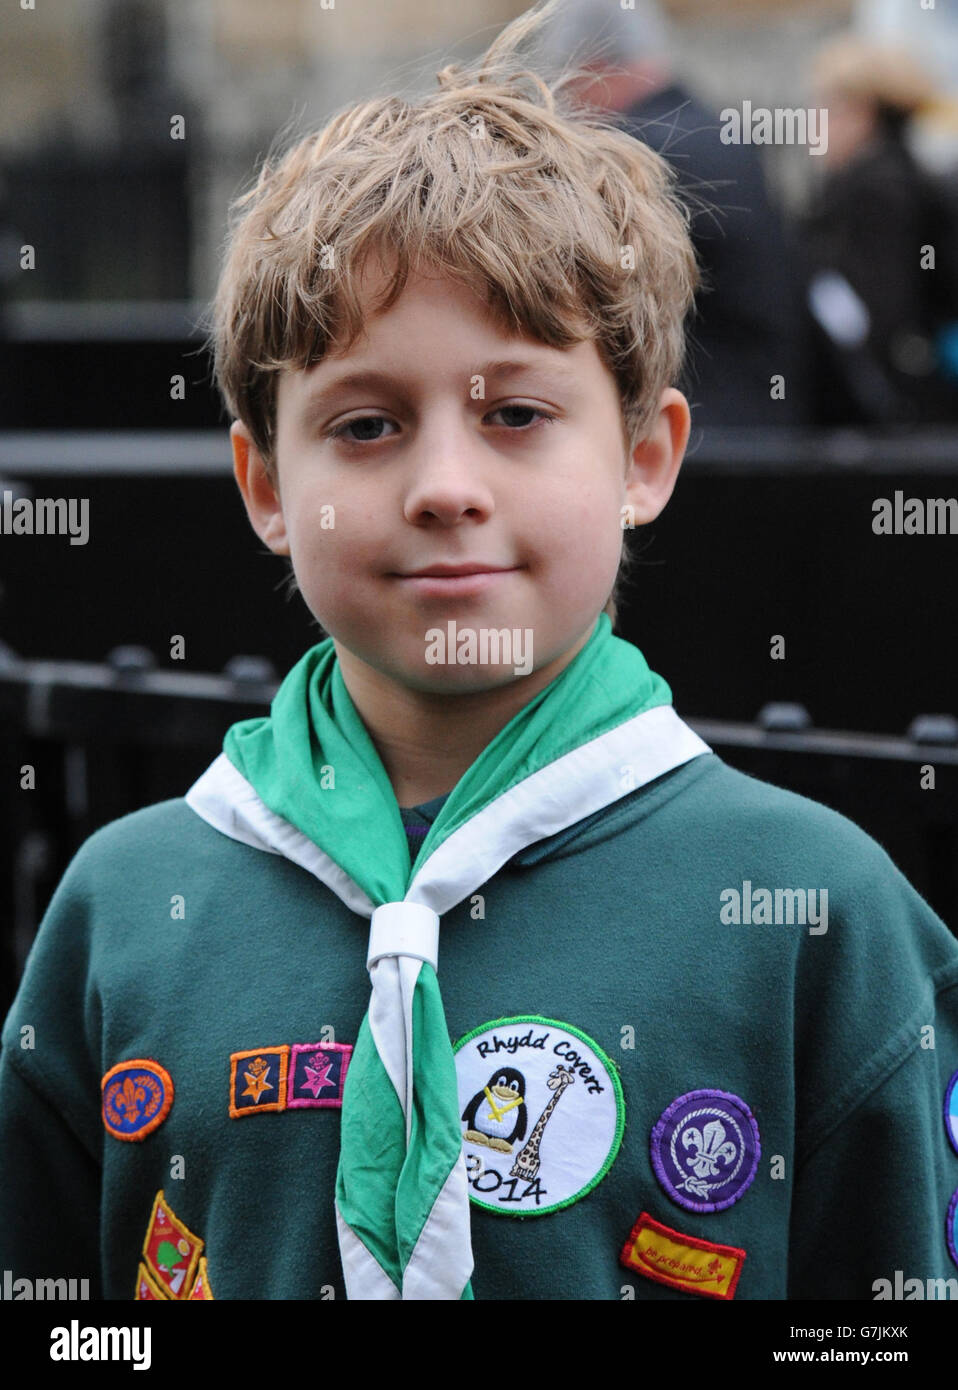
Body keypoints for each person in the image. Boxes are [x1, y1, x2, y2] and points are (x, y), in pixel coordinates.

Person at [1, 0, 957, 1302]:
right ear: (263, 481)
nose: (445, 485)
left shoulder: (819, 917)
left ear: (643, 456)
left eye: (514, 412)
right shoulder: (121, 907)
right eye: (364, 423)